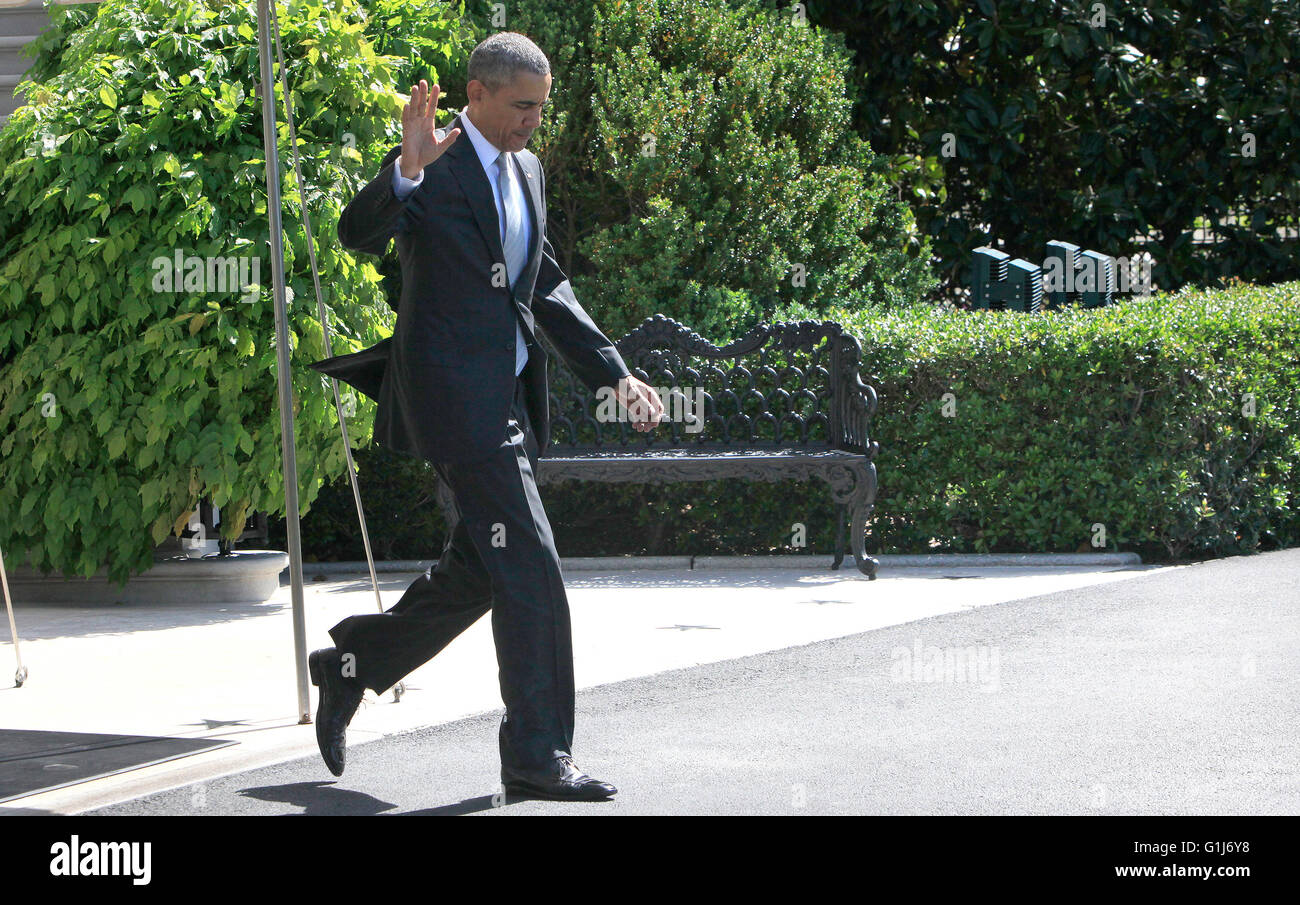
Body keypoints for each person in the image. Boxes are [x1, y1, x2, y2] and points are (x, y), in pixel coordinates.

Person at [306, 32, 664, 801]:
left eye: (541, 107)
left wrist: (617, 374)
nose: (534, 121)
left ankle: (351, 666)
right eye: (521, 106)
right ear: (477, 95)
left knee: (483, 566)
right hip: (453, 404)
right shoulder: (430, 165)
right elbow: (354, 232)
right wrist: (403, 170)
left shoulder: (527, 170)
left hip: (508, 401)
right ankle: (537, 753)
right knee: (532, 565)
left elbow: (547, 288)